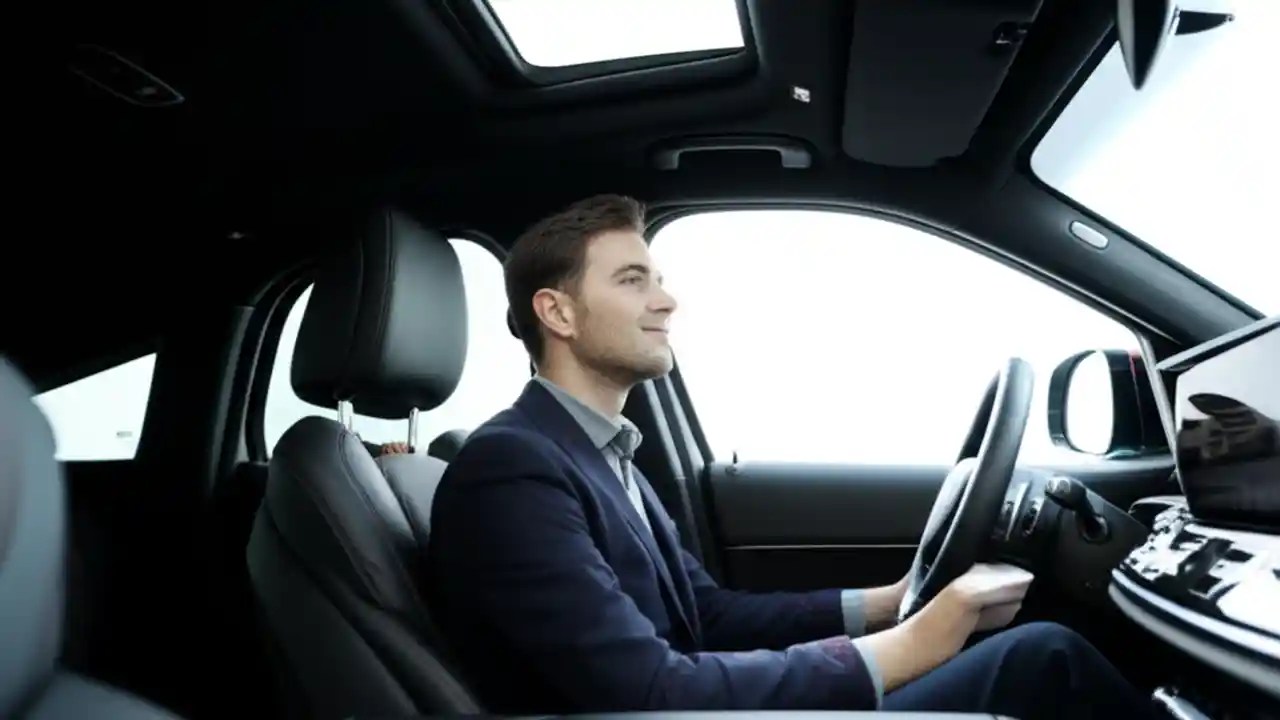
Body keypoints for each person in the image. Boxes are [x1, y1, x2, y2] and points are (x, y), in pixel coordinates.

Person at [427, 195, 1155, 718]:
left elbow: (706, 617)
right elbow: (646, 690)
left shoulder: (601, 454)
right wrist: (912, 643)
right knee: (1045, 659)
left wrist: (892, 600)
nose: (667, 300)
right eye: (632, 280)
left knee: (1030, 655)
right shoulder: (512, 470)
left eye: (658, 277)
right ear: (556, 312)